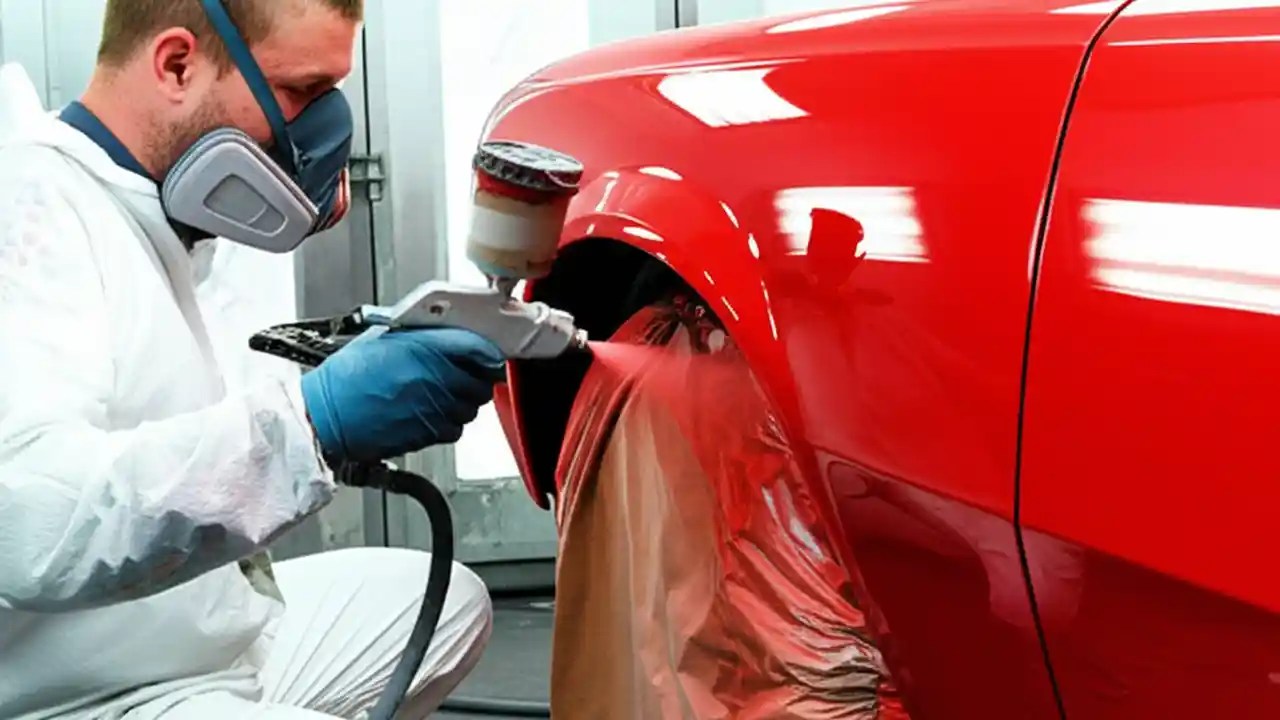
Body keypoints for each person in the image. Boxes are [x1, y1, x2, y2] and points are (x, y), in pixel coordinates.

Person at [0, 1, 502, 718]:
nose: (322, 132)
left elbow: (161, 412)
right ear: (177, 65)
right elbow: (32, 527)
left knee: (449, 602)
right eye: (300, 93)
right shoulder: (29, 213)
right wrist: (314, 425)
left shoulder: (152, 213)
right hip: (94, 691)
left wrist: (323, 386)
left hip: (197, 631)